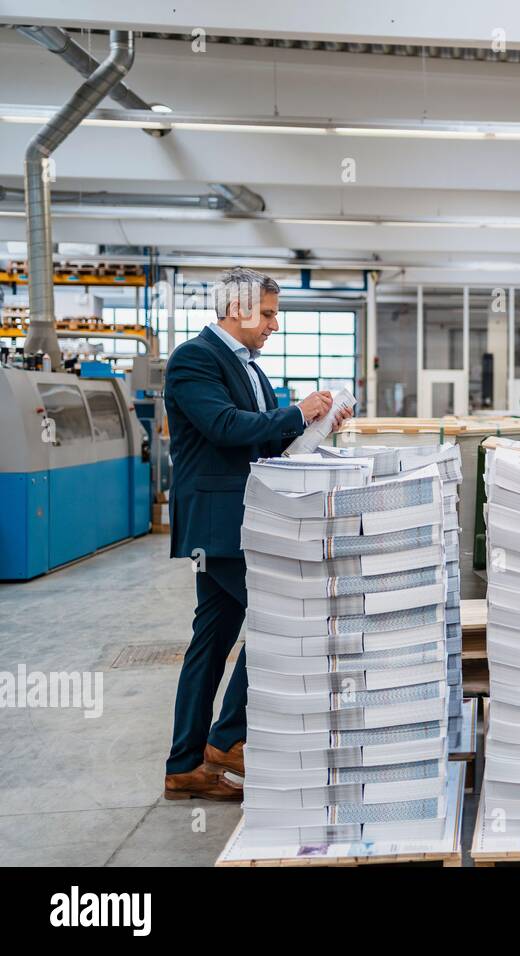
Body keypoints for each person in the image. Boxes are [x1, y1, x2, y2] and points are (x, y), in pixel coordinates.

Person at [162, 267, 352, 800]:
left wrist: (316, 426)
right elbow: (224, 427)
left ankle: (184, 766)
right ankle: (227, 739)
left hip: (244, 519)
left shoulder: (251, 368)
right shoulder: (194, 359)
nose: (273, 324)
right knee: (280, 618)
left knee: (211, 641)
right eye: (266, 314)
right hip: (217, 524)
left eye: (274, 314)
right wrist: (295, 412)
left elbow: (265, 447)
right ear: (235, 309)